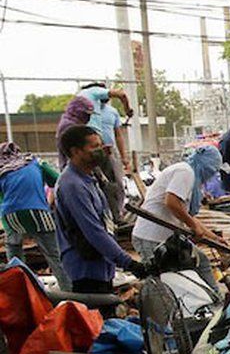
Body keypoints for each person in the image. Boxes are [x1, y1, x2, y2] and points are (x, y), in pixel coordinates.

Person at [53, 125, 145, 296]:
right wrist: (128, 263)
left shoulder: (90, 178)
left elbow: (104, 220)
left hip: (100, 264)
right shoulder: (73, 185)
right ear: (76, 151)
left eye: (100, 145)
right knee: (96, 311)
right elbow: (93, 230)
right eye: (94, 146)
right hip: (85, 268)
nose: (101, 150)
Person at [133, 145, 226, 295]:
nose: (212, 174)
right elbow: (171, 202)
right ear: (206, 165)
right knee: (162, 283)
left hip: (168, 238)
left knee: (201, 262)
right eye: (213, 169)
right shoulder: (185, 172)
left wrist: (214, 238)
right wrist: (193, 226)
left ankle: (215, 298)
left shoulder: (188, 174)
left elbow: (188, 216)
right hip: (151, 237)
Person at [0, 143, 68, 289]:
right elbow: (57, 180)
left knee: (14, 253)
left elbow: (2, 200)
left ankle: (20, 290)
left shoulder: (2, 170)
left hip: (11, 215)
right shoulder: (35, 161)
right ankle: (68, 291)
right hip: (37, 210)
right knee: (54, 254)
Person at [77, 83, 133, 223]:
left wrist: (124, 157)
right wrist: (127, 109)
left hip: (109, 150)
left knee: (115, 184)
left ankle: (116, 214)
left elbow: (118, 135)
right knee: (99, 183)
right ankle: (106, 216)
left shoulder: (112, 112)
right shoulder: (91, 104)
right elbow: (121, 94)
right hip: (94, 150)